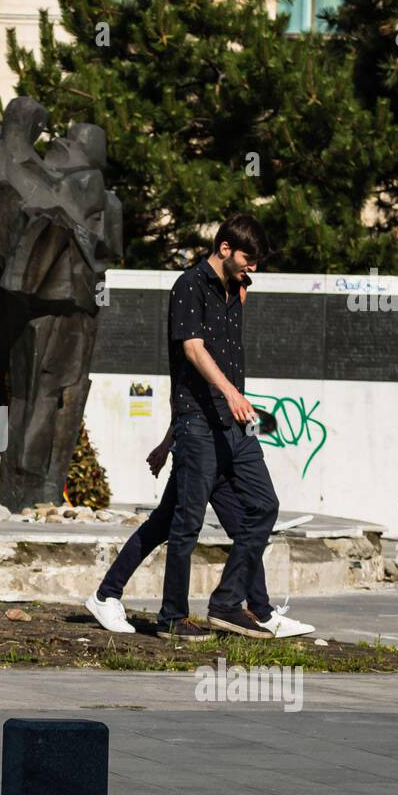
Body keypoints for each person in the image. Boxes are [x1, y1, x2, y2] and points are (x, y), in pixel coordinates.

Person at [94, 215, 283, 643]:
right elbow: (191, 354)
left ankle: (232, 605)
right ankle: (172, 617)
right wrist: (214, 407)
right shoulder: (188, 286)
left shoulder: (239, 290)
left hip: (232, 427)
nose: (252, 268)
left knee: (263, 506)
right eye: (248, 259)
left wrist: (167, 438)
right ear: (223, 248)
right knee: (183, 523)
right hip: (201, 426)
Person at [85, 453, 315, 639]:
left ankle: (262, 611)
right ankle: (106, 596)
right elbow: (182, 398)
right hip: (197, 453)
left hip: (215, 453)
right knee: (165, 525)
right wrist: (169, 443)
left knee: (242, 528)